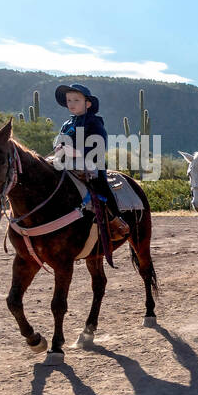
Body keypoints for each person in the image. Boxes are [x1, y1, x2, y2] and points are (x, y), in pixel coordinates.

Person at [53, 83, 127, 264]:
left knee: (101, 186)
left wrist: (76, 152)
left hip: (90, 165)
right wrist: (58, 149)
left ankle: (115, 219)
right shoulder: (67, 124)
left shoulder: (94, 122)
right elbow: (61, 141)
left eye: (76, 100)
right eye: (69, 100)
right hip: (67, 165)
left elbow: (99, 145)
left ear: (87, 104)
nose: (71, 103)